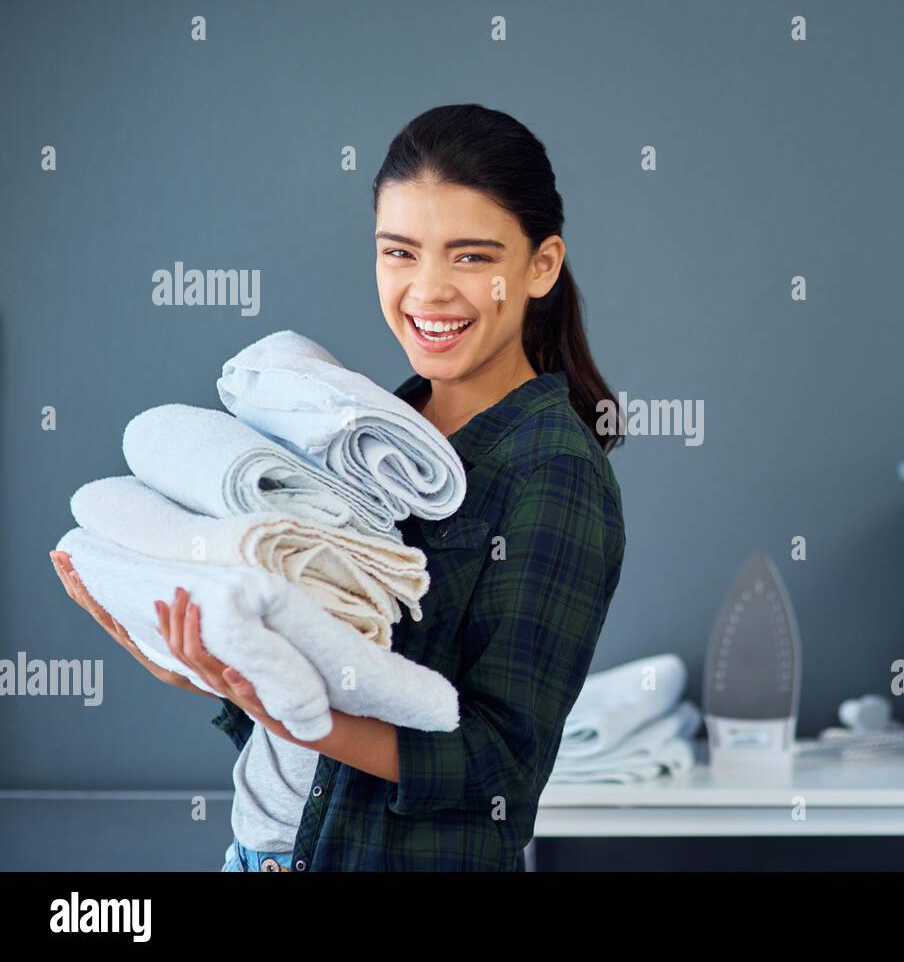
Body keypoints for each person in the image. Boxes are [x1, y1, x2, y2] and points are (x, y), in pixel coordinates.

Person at [50, 103, 628, 872]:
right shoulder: (374, 438)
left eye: (470, 256)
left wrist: (297, 715)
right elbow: (324, 673)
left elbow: (501, 768)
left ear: (540, 265)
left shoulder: (552, 470)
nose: (429, 291)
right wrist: (220, 671)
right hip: (264, 853)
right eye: (400, 252)